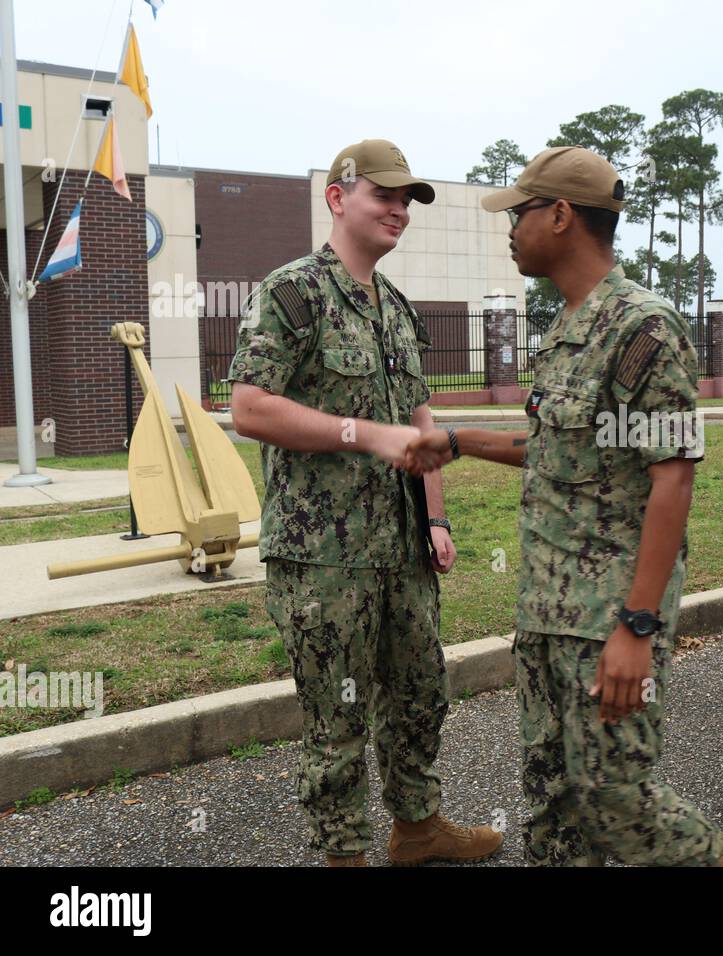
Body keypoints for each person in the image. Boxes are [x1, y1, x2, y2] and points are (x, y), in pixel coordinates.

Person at [405, 146, 723, 866]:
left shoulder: (642, 327)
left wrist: (637, 625)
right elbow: (559, 448)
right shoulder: (567, 328)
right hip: (546, 610)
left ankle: (720, 858)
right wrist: (463, 440)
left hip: (609, 614)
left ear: (561, 215)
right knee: (555, 797)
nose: (509, 229)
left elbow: (673, 478)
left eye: (520, 212)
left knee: (616, 802)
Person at [228, 139, 502, 866]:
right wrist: (360, 434)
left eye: (408, 199)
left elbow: (420, 427)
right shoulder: (291, 294)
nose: (399, 209)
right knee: (337, 718)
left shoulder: (399, 311)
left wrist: (436, 516)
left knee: (420, 698)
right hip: (324, 560)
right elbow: (250, 409)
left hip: (402, 551)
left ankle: (418, 827)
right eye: (385, 194)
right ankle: (345, 854)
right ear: (337, 196)